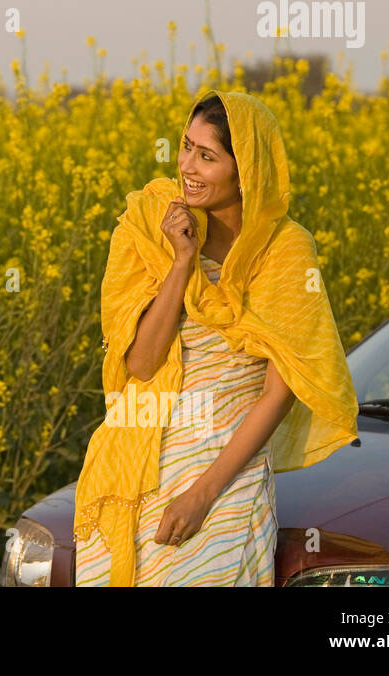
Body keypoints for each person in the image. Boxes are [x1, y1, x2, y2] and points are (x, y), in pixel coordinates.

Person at [72, 90, 359, 586]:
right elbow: (140, 364)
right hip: (136, 469)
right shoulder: (154, 223)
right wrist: (182, 261)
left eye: (208, 156)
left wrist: (203, 494)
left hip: (226, 480)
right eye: (186, 147)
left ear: (245, 169)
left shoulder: (284, 252)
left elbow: (279, 392)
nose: (188, 166)